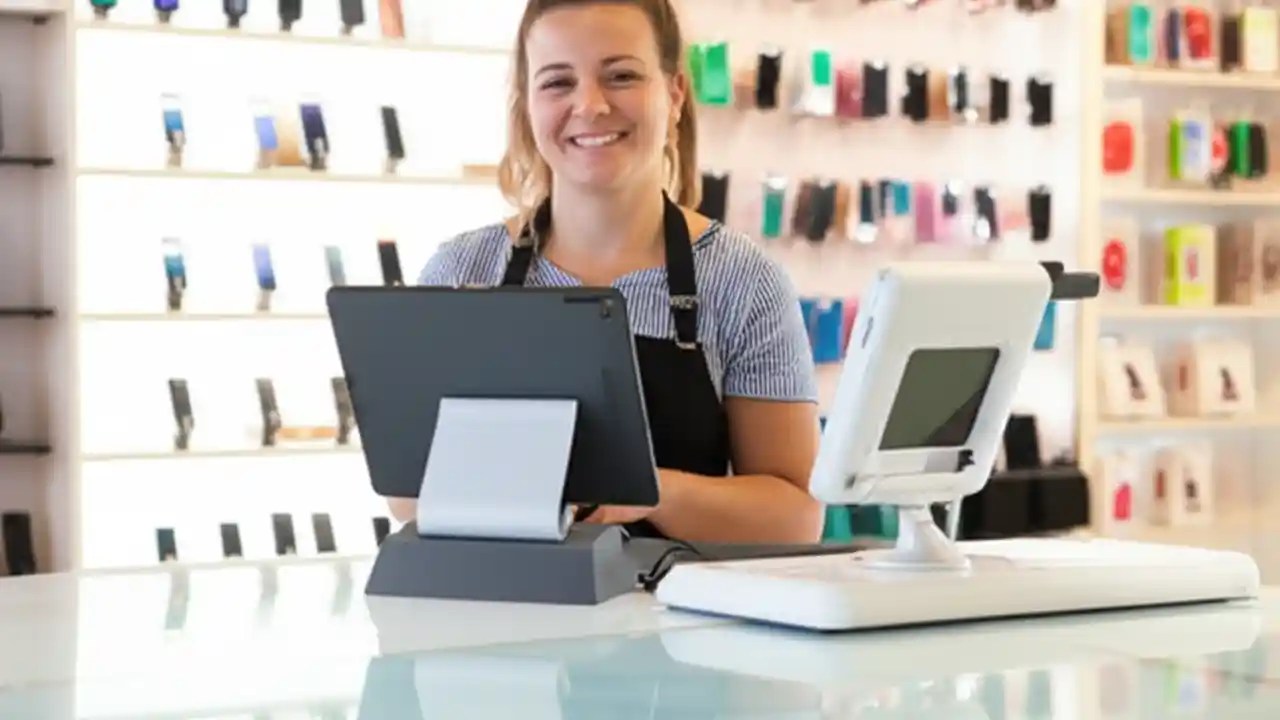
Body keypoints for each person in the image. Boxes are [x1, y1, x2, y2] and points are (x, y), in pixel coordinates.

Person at [394, 0, 823, 544]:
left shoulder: (742, 282)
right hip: (497, 619)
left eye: (621, 76)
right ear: (527, 104)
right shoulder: (461, 270)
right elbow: (407, 499)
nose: (590, 105)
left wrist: (649, 490)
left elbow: (795, 520)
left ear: (673, 93)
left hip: (678, 625)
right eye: (557, 82)